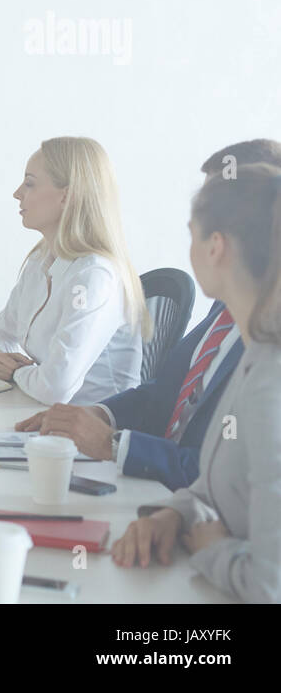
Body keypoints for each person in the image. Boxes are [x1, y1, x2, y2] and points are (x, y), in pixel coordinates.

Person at [15, 139, 281, 488]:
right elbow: (164, 391)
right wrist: (101, 413)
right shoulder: (226, 309)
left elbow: (224, 476)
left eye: (206, 214)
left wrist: (115, 445)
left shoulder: (265, 348)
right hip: (157, 490)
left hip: (178, 496)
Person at [112, 163, 281, 603]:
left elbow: (270, 585)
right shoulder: (258, 351)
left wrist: (212, 551)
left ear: (216, 248)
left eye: (192, 233)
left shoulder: (269, 381)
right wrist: (175, 513)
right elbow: (217, 481)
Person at [0, 137, 150, 405]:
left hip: (89, 434)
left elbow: (55, 387)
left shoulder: (95, 276)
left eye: (30, 183)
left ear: (66, 196)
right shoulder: (41, 259)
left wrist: (14, 371)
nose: (17, 193)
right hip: (41, 414)